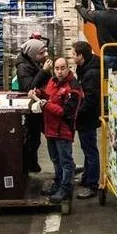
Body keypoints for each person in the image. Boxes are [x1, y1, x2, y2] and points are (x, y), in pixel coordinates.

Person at [31, 58, 83, 203]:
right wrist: (40, 93)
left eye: (62, 68)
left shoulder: (73, 88)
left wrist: (45, 105)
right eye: (57, 68)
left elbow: (66, 112)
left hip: (63, 132)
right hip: (50, 130)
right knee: (55, 160)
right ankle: (59, 182)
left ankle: (65, 188)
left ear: (68, 68)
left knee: (65, 162)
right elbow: (49, 95)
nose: (59, 72)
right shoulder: (52, 81)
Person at [14, 37, 53, 173]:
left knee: (37, 137)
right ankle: (30, 165)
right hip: (33, 107)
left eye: (45, 51)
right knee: (34, 137)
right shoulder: (23, 68)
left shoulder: (34, 61)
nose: (45, 55)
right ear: (32, 53)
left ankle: (32, 165)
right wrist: (44, 71)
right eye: (41, 53)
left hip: (41, 104)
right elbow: (29, 87)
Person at [72, 41, 101, 198]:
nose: (72, 57)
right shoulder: (84, 67)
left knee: (90, 150)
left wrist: (76, 113)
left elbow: (90, 100)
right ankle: (86, 178)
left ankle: (92, 185)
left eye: (73, 54)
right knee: (87, 148)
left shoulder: (91, 74)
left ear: (80, 56)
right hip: (85, 117)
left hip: (88, 118)